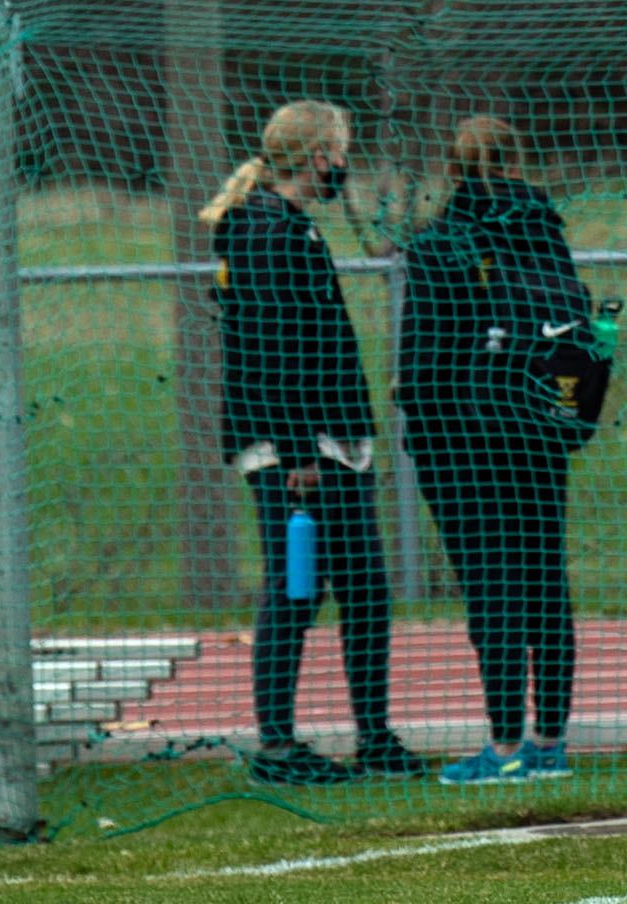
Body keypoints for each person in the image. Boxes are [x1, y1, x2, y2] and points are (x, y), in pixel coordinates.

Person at [201, 99, 427, 785]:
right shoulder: (265, 229)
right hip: (297, 449)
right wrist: (299, 450)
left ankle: (375, 737)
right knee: (295, 588)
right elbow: (273, 350)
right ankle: (276, 745)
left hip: (332, 440)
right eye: (339, 149)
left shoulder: (289, 226)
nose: (343, 162)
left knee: (364, 590)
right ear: (317, 154)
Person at [396, 115, 597, 784]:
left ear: (451, 168)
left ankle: (504, 740)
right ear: (517, 159)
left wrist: (418, 429)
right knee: (544, 577)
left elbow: (423, 357)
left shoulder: (438, 245)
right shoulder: (547, 232)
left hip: (464, 442)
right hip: (541, 433)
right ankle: (550, 739)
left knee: (492, 585)